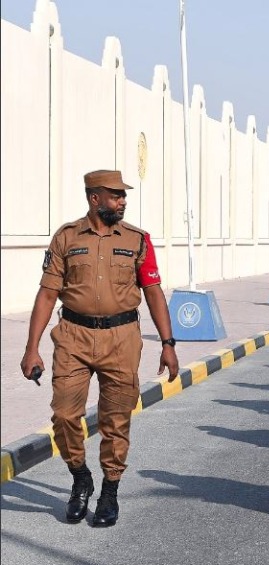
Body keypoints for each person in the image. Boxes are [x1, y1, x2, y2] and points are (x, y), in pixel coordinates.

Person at [21, 169, 180, 526]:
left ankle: (110, 489)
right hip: (73, 336)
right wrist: (32, 348)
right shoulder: (66, 237)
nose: (123, 201)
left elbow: (153, 292)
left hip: (122, 338)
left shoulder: (138, 240)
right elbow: (48, 293)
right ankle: (80, 477)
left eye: (123, 195)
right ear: (95, 198)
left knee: (116, 420)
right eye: (116, 195)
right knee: (63, 414)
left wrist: (168, 344)